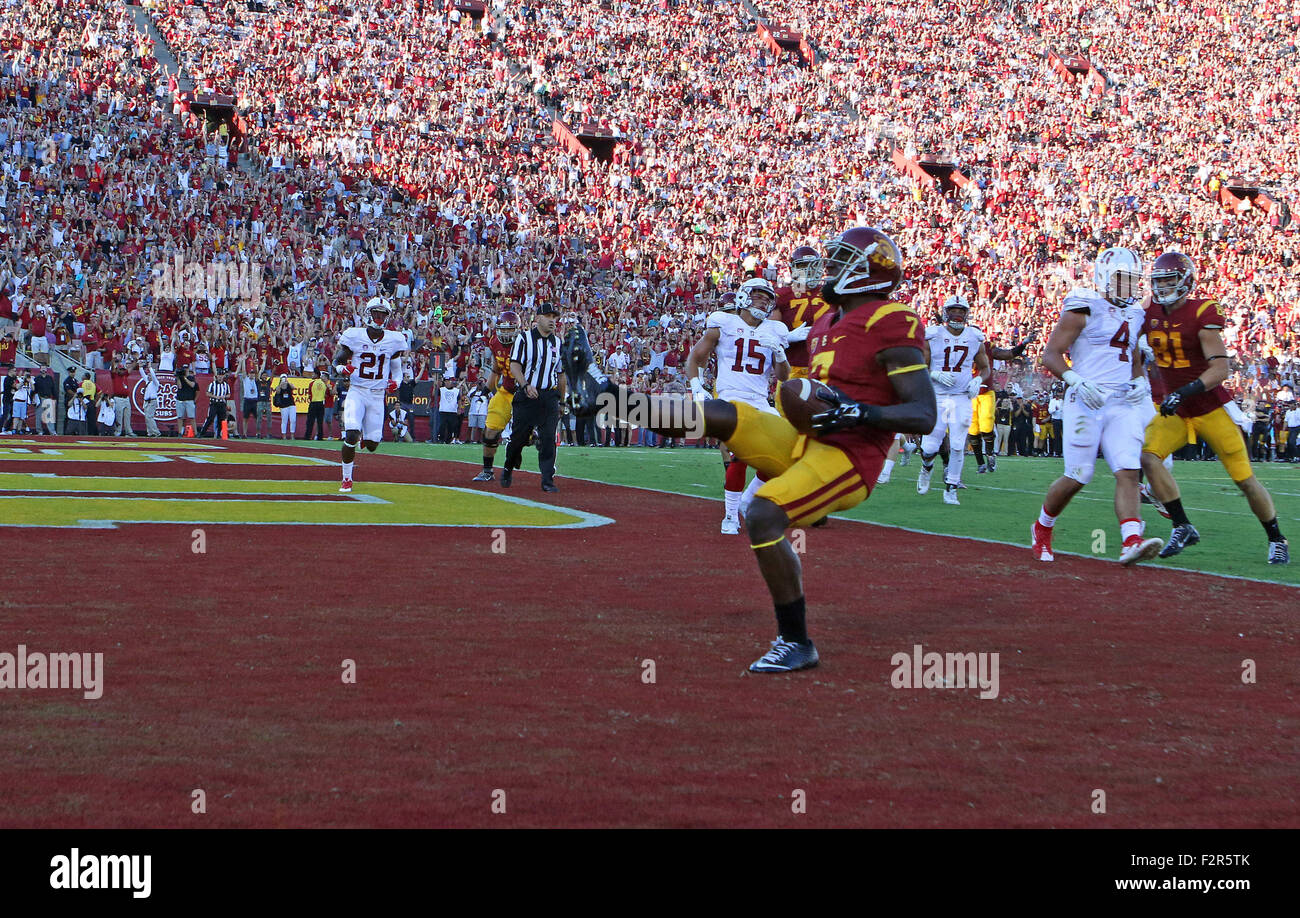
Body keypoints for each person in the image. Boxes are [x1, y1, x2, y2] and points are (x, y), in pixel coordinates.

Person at [563, 226, 935, 673]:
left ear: (870, 273)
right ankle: (606, 397)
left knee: (762, 512)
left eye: (840, 262)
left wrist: (856, 413)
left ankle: (796, 641)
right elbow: (803, 386)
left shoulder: (893, 319)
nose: (829, 270)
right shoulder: (823, 323)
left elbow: (922, 413)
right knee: (722, 413)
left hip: (851, 455)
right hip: (809, 438)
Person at [1139, 252, 1288, 564]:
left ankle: (1277, 538)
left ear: (1186, 281)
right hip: (1177, 410)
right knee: (1149, 458)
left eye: (1170, 280)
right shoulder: (1148, 308)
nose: (1163, 286)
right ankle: (1182, 526)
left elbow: (1221, 370)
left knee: (1244, 479)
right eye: (1160, 280)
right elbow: (1123, 334)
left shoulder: (1202, 312)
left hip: (1208, 408)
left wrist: (1183, 391)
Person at [1030, 247, 1163, 565]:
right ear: (1104, 277)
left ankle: (1131, 540)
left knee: (1129, 471)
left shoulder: (1135, 314)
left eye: (1132, 279)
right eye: (1122, 278)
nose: (1128, 285)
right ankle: (1042, 527)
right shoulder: (1084, 307)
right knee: (1078, 475)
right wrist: (1075, 380)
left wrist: (1139, 382)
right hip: (1085, 400)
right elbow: (1050, 354)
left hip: (1121, 403)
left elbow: (1130, 358)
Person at [684, 278, 789, 534]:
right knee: (740, 456)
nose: (763, 300)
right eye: (758, 295)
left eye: (767, 297)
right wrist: (697, 387)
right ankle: (730, 516)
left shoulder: (775, 329)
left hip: (760, 401)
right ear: (743, 296)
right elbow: (696, 357)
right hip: (731, 398)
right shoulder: (724, 322)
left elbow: (783, 377)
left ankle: (747, 500)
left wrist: (780, 354)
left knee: (787, 456)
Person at [916, 294, 990, 505]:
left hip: (961, 397)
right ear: (945, 312)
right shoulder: (932, 335)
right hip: (937, 396)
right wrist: (934, 374)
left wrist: (978, 380)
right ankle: (926, 467)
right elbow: (920, 365)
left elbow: (985, 368)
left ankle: (951, 488)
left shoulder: (975, 337)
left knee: (958, 445)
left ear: (967, 313)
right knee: (930, 446)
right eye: (953, 311)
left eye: (961, 311)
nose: (957, 315)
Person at [334, 297, 405, 493]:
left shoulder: (394, 339)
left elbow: (397, 371)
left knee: (373, 444)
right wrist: (342, 369)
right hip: (357, 391)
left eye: (382, 314)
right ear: (368, 313)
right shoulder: (354, 335)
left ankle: (367, 436)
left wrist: (396, 382)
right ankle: (346, 479)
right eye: (376, 313)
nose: (379, 317)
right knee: (351, 434)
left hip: (377, 395)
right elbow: (337, 361)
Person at [501, 303, 565, 491]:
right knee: (518, 439)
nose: (552, 320)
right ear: (538, 318)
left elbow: (561, 375)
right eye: (548, 316)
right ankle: (508, 467)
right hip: (527, 396)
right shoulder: (524, 339)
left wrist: (562, 401)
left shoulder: (558, 343)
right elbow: (514, 366)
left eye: (555, 317)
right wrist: (525, 385)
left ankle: (547, 480)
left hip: (549, 396)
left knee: (548, 439)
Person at [471, 311, 520, 481]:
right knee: (490, 429)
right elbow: (496, 369)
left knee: (526, 434)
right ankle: (487, 471)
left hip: (525, 393)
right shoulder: (494, 342)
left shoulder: (525, 343)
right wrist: (486, 388)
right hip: (506, 391)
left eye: (510, 330)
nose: (506, 334)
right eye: (503, 330)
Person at [200, 368, 231, 437]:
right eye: (219, 375)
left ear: (223, 376)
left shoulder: (226, 385)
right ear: (217, 376)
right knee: (210, 418)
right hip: (214, 403)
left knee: (221, 419)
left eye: (222, 375)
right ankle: (202, 433)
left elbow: (229, 395)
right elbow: (207, 393)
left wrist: (224, 396)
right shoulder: (212, 384)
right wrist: (215, 396)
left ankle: (218, 434)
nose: (220, 377)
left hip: (222, 404)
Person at [175, 364, 198, 436]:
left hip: (189, 399)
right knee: (180, 417)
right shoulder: (179, 378)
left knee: (192, 417)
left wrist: (185, 378)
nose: (185, 370)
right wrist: (179, 377)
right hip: (180, 399)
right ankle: (180, 432)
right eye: (184, 369)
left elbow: (192, 385)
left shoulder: (191, 377)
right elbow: (179, 387)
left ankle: (196, 433)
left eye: (186, 369)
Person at [141, 358, 162, 437]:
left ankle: (156, 432)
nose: (149, 376)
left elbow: (153, 376)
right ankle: (150, 432)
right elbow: (143, 374)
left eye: (150, 375)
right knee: (147, 417)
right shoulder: (147, 382)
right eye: (148, 375)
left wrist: (150, 368)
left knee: (149, 416)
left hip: (152, 401)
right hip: (146, 401)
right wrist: (140, 367)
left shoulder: (155, 383)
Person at [304, 368, 326, 440]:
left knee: (310, 421)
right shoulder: (323, 383)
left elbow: (310, 394)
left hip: (314, 403)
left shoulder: (312, 383)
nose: (312, 375)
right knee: (320, 422)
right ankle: (320, 437)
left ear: (316, 374)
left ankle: (308, 436)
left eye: (313, 374)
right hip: (321, 404)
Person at [274, 374, 297, 439]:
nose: (284, 379)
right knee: (284, 421)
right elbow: (277, 391)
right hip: (283, 406)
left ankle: (292, 435)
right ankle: (284, 435)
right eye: (283, 378)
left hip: (291, 404)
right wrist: (281, 384)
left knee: (293, 420)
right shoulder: (279, 386)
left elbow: (294, 387)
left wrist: (287, 381)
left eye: (285, 378)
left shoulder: (289, 385)